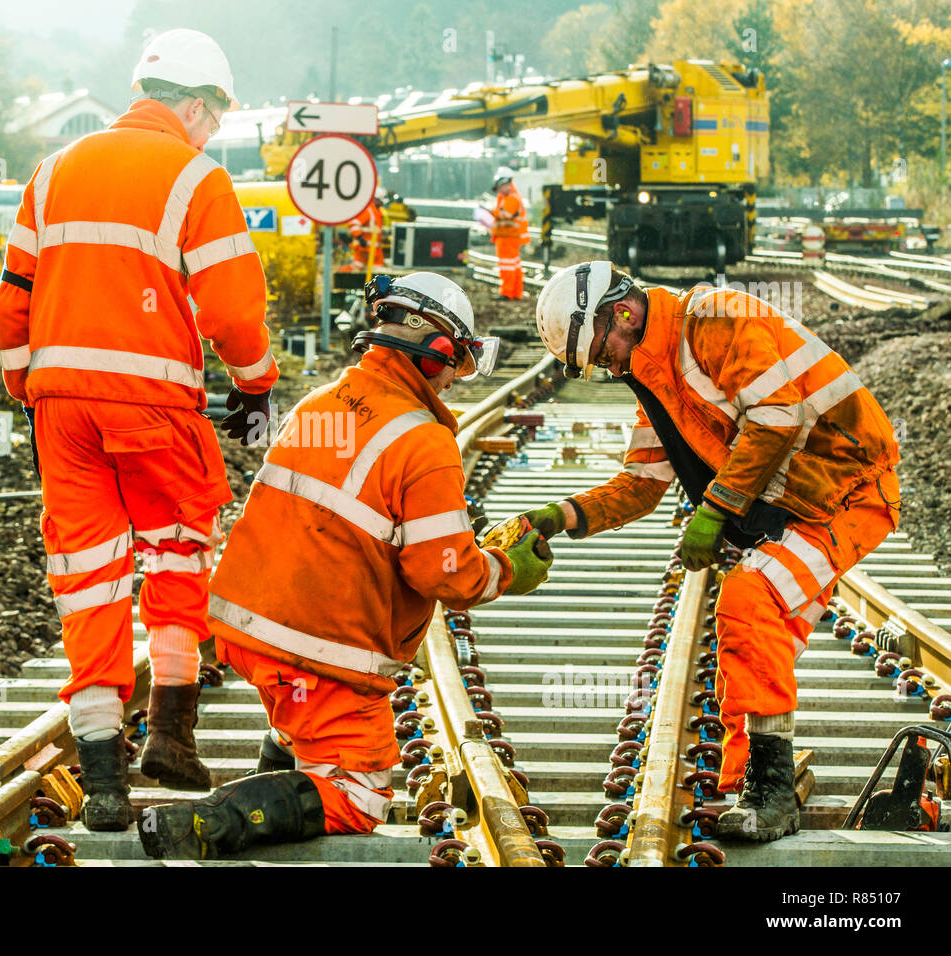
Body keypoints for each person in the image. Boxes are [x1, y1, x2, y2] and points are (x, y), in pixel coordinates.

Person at [138, 272, 555, 860]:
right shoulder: (424, 442)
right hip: (319, 650)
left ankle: (271, 781)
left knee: (300, 728)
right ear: (436, 351)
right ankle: (200, 823)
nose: (455, 379)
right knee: (358, 792)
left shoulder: (320, 404)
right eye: (457, 363)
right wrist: (505, 569)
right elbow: (444, 573)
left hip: (248, 626)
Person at [0, 28, 278, 831]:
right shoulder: (197, 177)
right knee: (178, 548)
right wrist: (255, 385)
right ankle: (172, 738)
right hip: (153, 405)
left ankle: (104, 778)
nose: (212, 132)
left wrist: (28, 389)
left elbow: (10, 304)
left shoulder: (53, 171)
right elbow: (232, 311)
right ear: (196, 105)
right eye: (215, 117)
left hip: (61, 409)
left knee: (87, 574)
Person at [521, 260, 900, 842]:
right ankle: (748, 778)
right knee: (753, 639)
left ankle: (772, 792)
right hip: (799, 501)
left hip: (848, 491)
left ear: (622, 313)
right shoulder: (656, 379)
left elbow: (776, 418)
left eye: (602, 353)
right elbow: (641, 486)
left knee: (749, 599)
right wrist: (558, 517)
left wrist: (715, 509)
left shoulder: (715, 318)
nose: (608, 367)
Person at [489, 169, 528, 300]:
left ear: (506, 183)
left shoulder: (511, 198)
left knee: (507, 265)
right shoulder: (509, 197)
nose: (499, 190)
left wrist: (490, 212)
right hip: (509, 236)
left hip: (507, 236)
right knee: (513, 265)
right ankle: (515, 292)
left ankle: (507, 292)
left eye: (500, 187)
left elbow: (505, 215)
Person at [346, 193, 385, 273]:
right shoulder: (368, 210)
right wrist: (360, 238)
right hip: (363, 249)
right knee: (357, 269)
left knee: (377, 271)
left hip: (374, 250)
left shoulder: (378, 212)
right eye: (380, 201)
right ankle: (340, 276)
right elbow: (353, 225)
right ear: (374, 199)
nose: (382, 203)